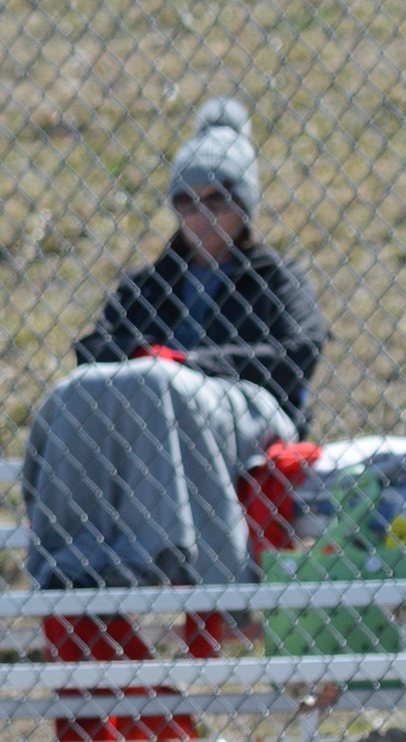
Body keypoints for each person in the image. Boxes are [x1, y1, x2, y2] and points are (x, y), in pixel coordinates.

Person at [24, 98, 327, 593]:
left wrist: (187, 364)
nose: (201, 214)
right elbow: (95, 347)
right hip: (154, 404)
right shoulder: (148, 283)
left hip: (243, 413)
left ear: (244, 205)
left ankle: (175, 561)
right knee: (74, 392)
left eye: (217, 199)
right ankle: (68, 563)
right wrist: (152, 362)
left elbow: (297, 355)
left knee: (165, 384)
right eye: (187, 200)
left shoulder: (276, 279)